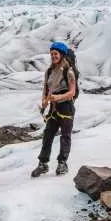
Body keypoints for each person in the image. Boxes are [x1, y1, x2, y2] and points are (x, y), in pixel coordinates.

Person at [31, 42, 77, 177]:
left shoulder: (69, 71)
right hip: (53, 107)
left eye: (55, 54)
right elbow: (46, 89)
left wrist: (58, 97)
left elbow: (72, 92)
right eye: (52, 54)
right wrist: (44, 101)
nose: (53, 56)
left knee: (65, 136)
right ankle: (43, 163)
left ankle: (62, 162)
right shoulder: (49, 71)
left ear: (61, 55)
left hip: (66, 106)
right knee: (48, 135)